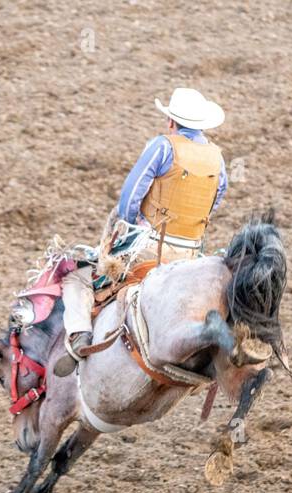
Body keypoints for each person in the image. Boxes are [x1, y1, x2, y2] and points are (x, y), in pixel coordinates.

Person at [55, 88, 230, 377]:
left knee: (77, 279)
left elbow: (131, 195)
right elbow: (216, 198)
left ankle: (80, 336)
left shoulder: (163, 147)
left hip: (150, 247)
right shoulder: (217, 159)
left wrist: (130, 224)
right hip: (192, 254)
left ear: (172, 121)